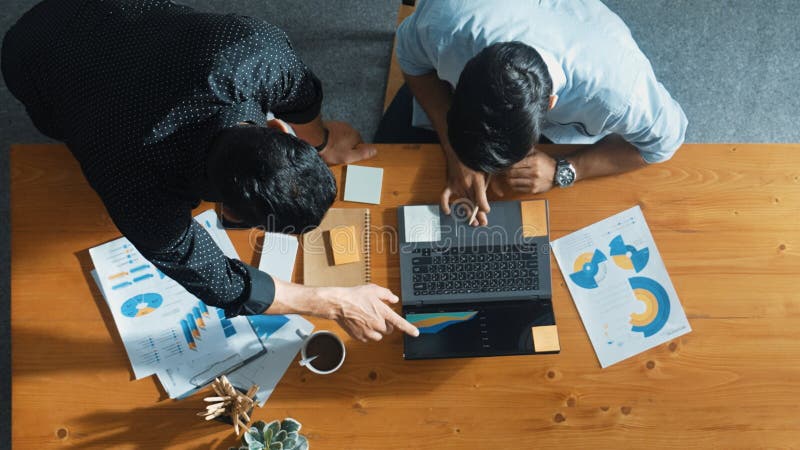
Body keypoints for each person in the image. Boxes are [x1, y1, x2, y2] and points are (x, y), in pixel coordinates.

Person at [2, 0, 418, 342]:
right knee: (57, 123)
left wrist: (321, 141)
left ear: (276, 128)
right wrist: (334, 302)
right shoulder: (140, 199)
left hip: (87, 17)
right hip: (32, 54)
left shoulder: (256, 52)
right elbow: (222, 284)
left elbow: (300, 93)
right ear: (231, 215)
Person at [376, 0, 688, 226]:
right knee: (383, 181)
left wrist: (565, 170)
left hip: (585, 91)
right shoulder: (444, 22)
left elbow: (663, 144)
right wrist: (455, 151)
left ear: (550, 105)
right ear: (464, 71)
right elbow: (412, 62)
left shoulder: (620, 93)